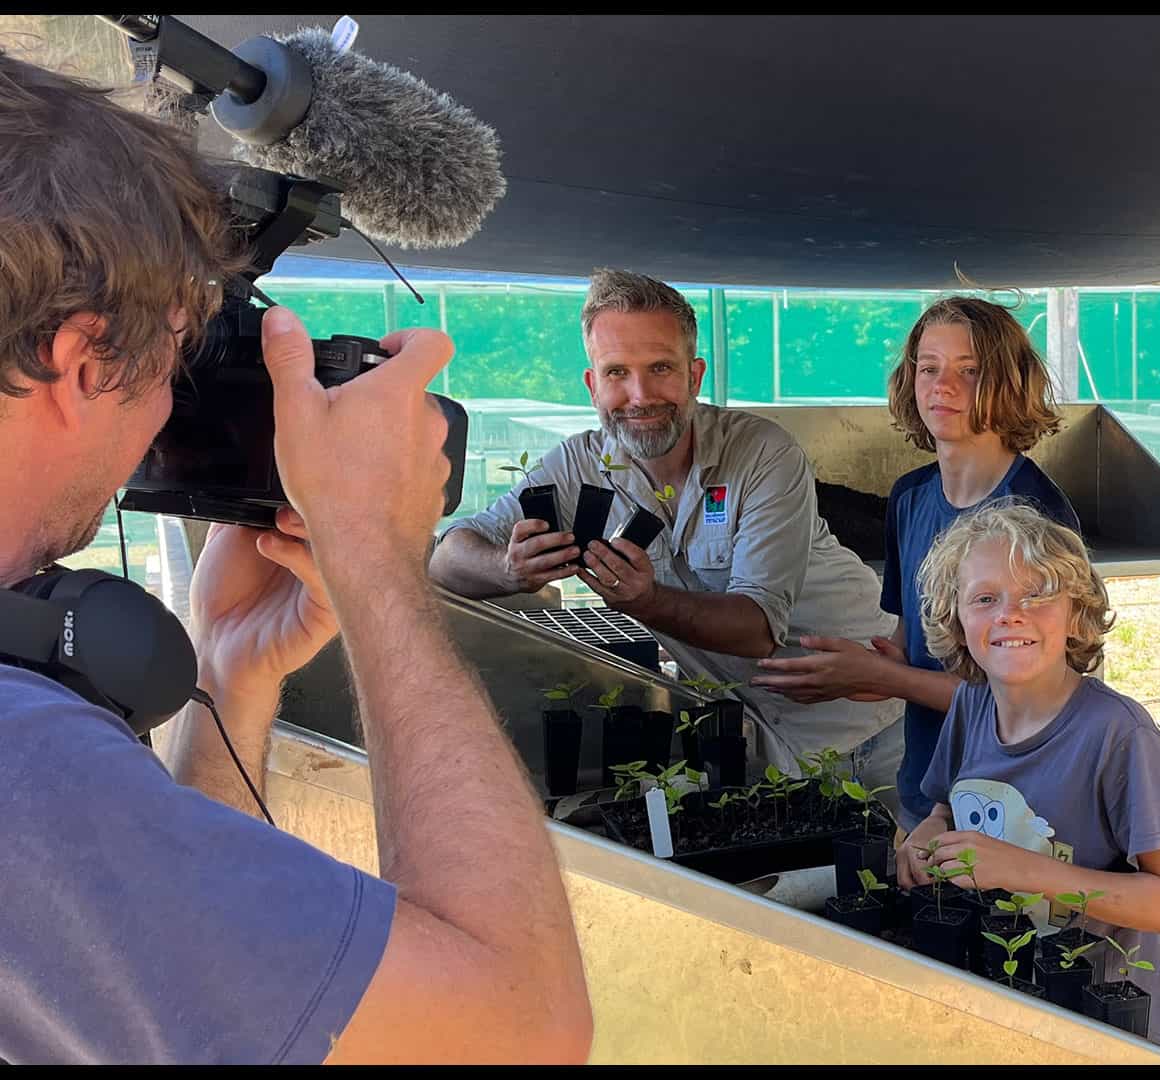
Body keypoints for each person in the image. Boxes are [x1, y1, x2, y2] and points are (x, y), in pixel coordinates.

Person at [0, 52, 591, 1063]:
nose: (165, 415)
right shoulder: (26, 767)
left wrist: (233, 672)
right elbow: (517, 1029)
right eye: (172, 362)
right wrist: (375, 555)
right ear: (81, 359)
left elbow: (177, 1003)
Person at [429, 269, 902, 779]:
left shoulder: (761, 451)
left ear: (694, 376)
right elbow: (445, 559)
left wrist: (646, 601)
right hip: (768, 739)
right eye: (616, 373)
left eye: (660, 368)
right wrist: (508, 568)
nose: (640, 395)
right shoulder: (577, 465)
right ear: (592, 385)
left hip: (881, 723)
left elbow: (756, 630)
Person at [752, 296, 1078, 830]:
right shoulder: (909, 497)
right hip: (927, 785)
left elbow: (1030, 702)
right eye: (929, 368)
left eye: (969, 371)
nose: (942, 386)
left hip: (1016, 801)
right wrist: (850, 674)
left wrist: (888, 676)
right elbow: (913, 654)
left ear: (1011, 383)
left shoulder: (1034, 515)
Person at [896, 501, 1160, 1047]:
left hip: (1096, 1021)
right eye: (985, 598)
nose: (1011, 614)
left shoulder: (1117, 734)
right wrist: (926, 835)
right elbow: (945, 807)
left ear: (1075, 612)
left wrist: (1024, 869)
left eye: (1036, 594)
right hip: (999, 994)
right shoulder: (971, 704)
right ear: (955, 619)